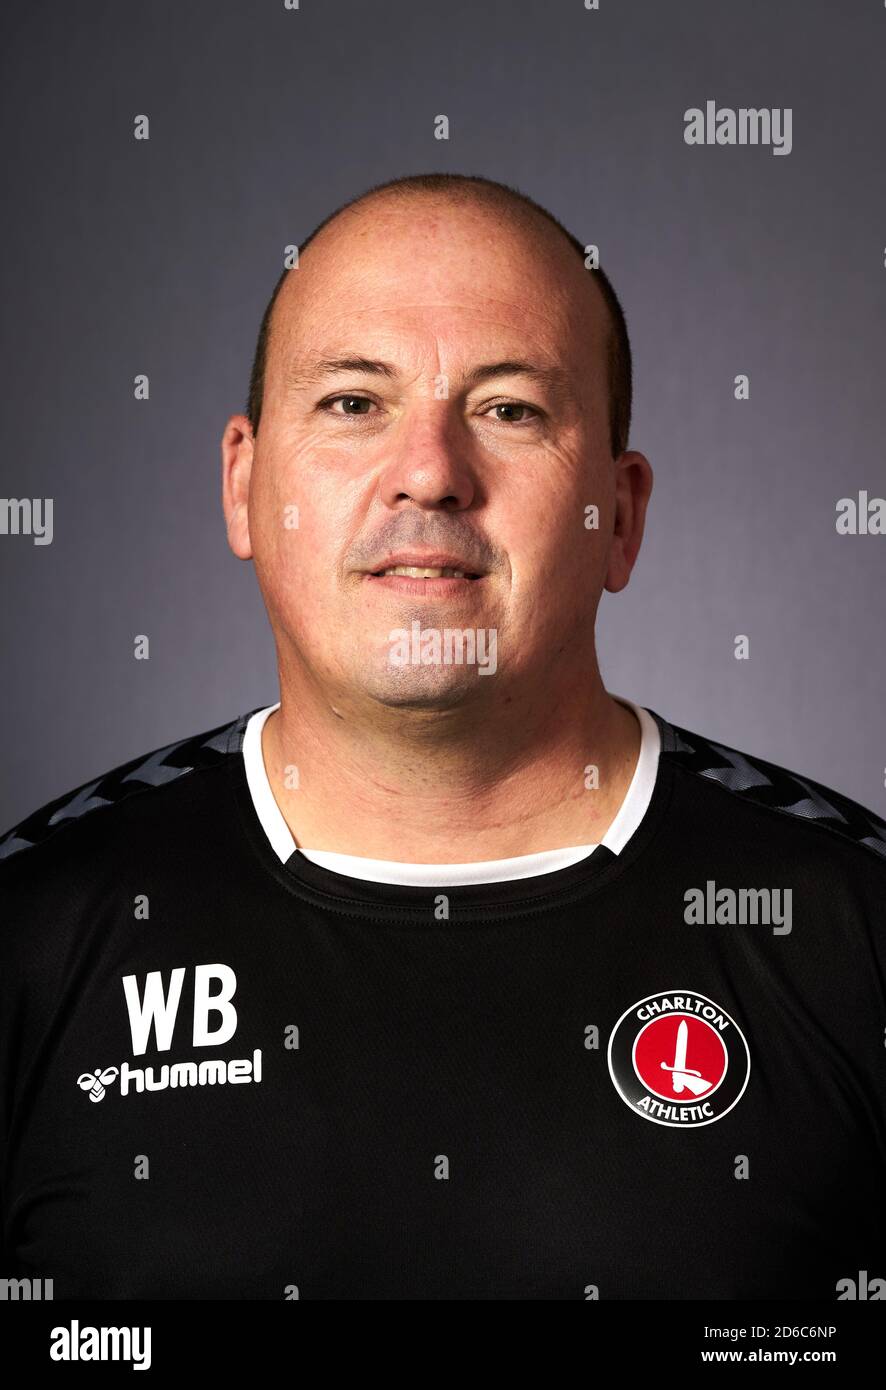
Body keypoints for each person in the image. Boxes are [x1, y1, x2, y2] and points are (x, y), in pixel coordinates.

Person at [1, 173, 884, 1301]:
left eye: (509, 408)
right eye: (352, 403)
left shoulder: (853, 934)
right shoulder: (34, 933)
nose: (427, 471)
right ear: (242, 483)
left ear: (620, 514)